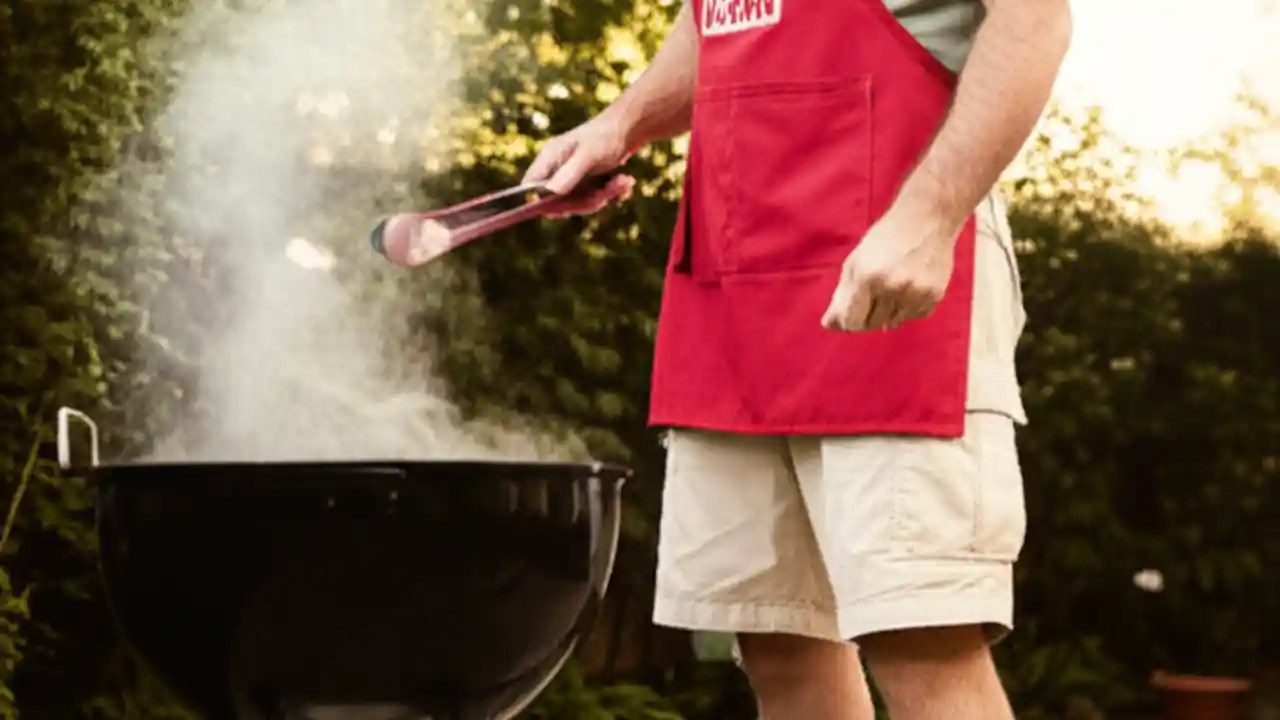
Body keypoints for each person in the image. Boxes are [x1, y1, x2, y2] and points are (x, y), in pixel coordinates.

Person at [524, 0, 1072, 717]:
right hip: (731, 287)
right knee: (777, 641)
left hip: (890, 270)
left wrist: (928, 219)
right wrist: (618, 125)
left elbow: (1035, 19)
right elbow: (723, 19)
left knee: (917, 640)